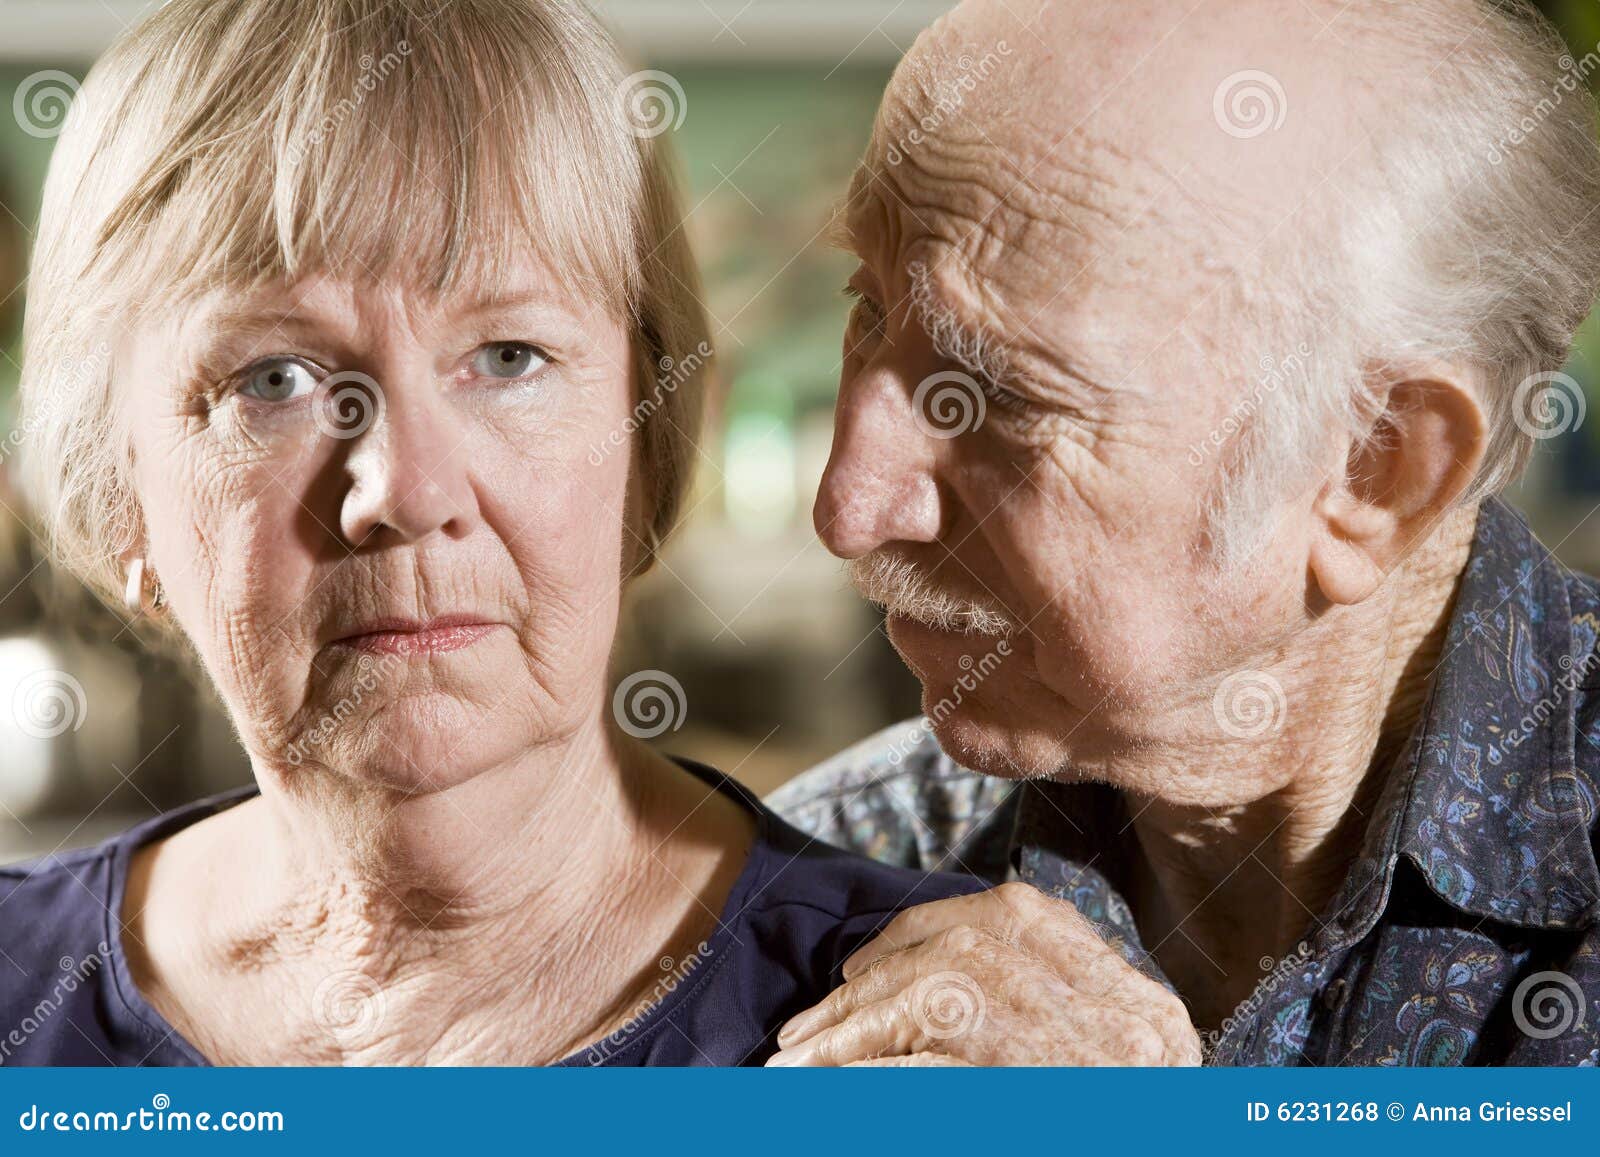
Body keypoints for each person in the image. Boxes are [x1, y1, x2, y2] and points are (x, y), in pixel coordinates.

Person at [0, 0, 979, 1067]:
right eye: (273, 380)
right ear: (121, 491)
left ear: (648, 447)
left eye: (510, 357)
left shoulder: (929, 1031)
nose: (406, 490)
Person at [767, 0, 1600, 1066]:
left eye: (999, 393)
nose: (848, 507)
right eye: (869, 308)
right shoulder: (828, 872)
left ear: (1377, 466)